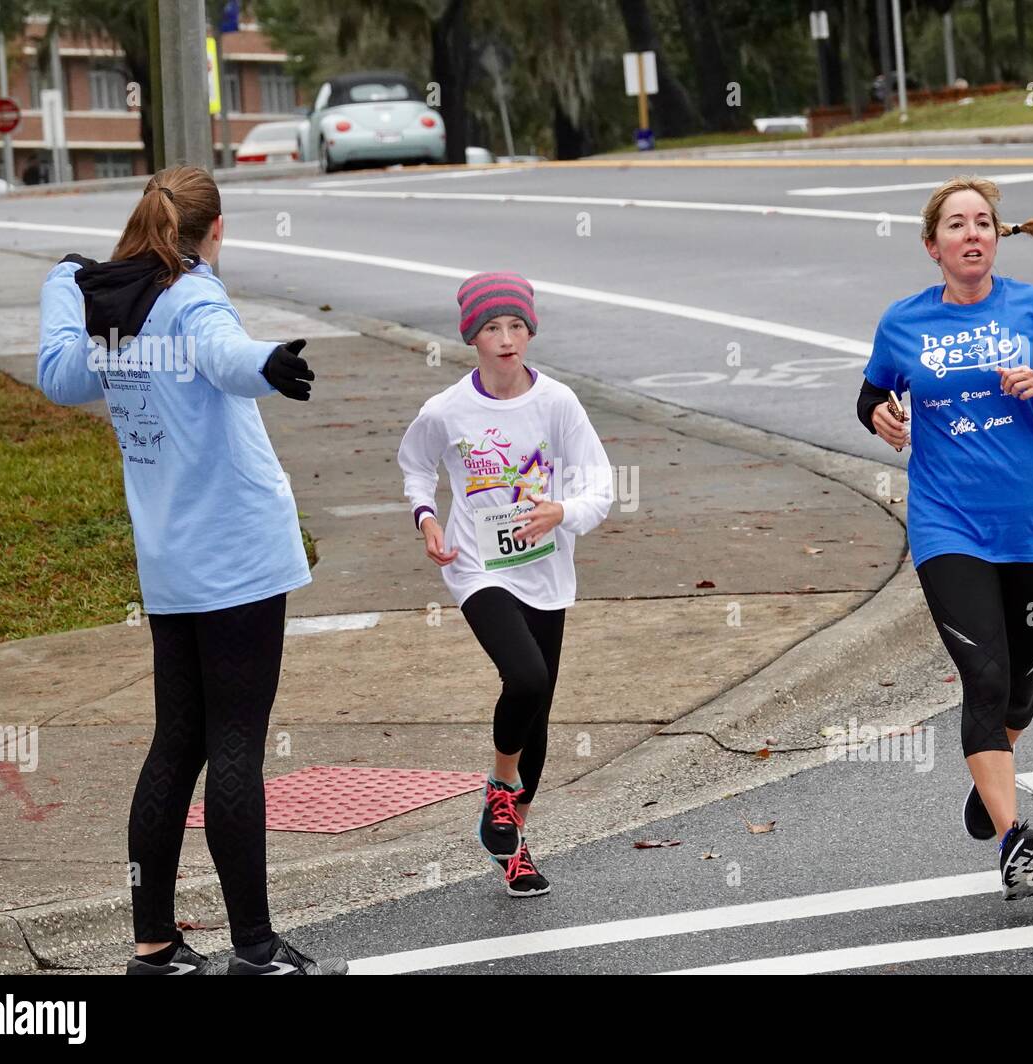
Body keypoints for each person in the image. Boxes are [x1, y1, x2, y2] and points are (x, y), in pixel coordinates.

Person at [37, 165, 344, 973]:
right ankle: (255, 947)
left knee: (177, 743)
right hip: (237, 556)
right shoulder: (193, 294)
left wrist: (64, 286)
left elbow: (60, 377)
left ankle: (155, 946)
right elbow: (223, 352)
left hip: (169, 561)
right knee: (236, 740)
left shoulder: (112, 310)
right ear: (214, 231)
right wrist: (269, 364)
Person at [855, 176, 1033, 901]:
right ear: (932, 245)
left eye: (983, 222)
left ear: (997, 236)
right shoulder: (904, 322)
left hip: (1030, 526)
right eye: (956, 225)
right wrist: (879, 413)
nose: (971, 233)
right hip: (948, 523)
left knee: (1022, 695)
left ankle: (991, 772)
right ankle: (1014, 839)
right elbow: (872, 392)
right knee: (986, 677)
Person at [397, 272, 614, 897]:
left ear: (530, 331)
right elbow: (415, 467)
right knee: (526, 678)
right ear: (472, 336)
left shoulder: (558, 403)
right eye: (492, 328)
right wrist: (427, 517)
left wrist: (562, 512)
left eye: (517, 326)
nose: (507, 339)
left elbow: (599, 486)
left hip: (546, 568)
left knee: (537, 714)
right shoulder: (445, 411)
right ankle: (500, 785)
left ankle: (512, 844)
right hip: (476, 566)